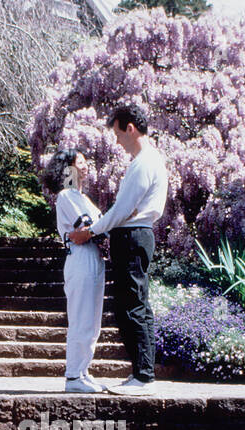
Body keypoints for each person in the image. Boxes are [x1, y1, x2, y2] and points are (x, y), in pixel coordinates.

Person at [68, 102, 168, 396]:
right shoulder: (148, 160)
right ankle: (142, 372)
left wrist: (90, 231)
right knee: (137, 304)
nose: (117, 142)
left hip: (133, 235)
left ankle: (143, 377)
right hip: (137, 234)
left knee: (131, 306)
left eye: (118, 134)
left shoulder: (144, 163)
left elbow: (122, 210)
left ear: (131, 128)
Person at [47, 149, 107, 394]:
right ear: (68, 168)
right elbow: (88, 227)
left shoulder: (85, 198)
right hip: (79, 258)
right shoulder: (66, 196)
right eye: (79, 162)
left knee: (93, 321)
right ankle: (73, 375)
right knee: (81, 317)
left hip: (94, 254)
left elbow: (95, 229)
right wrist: (100, 227)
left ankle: (83, 370)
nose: (85, 166)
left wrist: (98, 229)